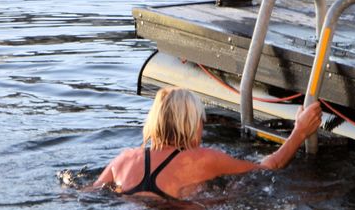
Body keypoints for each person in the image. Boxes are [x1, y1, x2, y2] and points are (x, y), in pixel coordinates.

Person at [93, 86, 322, 201]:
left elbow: (87, 194)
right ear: (191, 124)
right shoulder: (202, 159)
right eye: (201, 121)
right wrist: (299, 132)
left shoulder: (124, 159)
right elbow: (270, 166)